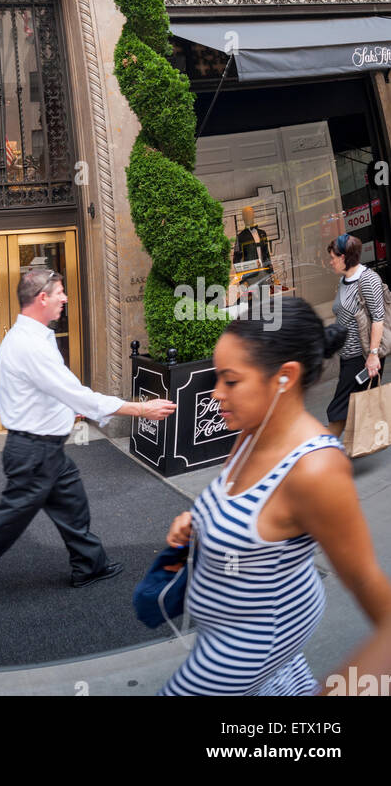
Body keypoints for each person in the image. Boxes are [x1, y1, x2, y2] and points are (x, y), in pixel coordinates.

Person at [159, 296, 391, 696]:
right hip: (248, 666)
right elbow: (246, 513)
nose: (215, 393)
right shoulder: (251, 432)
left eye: (230, 380)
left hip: (237, 677)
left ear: (284, 377)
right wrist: (197, 520)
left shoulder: (316, 471)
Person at [0, 267, 176, 608]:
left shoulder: (35, 336)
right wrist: (140, 410)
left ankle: (89, 565)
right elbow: (76, 392)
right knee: (5, 526)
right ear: (42, 298)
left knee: (72, 503)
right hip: (33, 453)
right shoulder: (30, 345)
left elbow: (51, 392)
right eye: (59, 293)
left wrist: (67, 410)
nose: (65, 298)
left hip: (43, 449)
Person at [325, 233, 385, 438]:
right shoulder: (344, 280)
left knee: (339, 406)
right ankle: (351, 446)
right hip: (347, 355)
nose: (330, 262)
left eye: (333, 257)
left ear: (344, 257)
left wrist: (373, 355)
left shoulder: (369, 279)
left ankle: (325, 450)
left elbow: (378, 318)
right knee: (350, 403)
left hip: (362, 356)